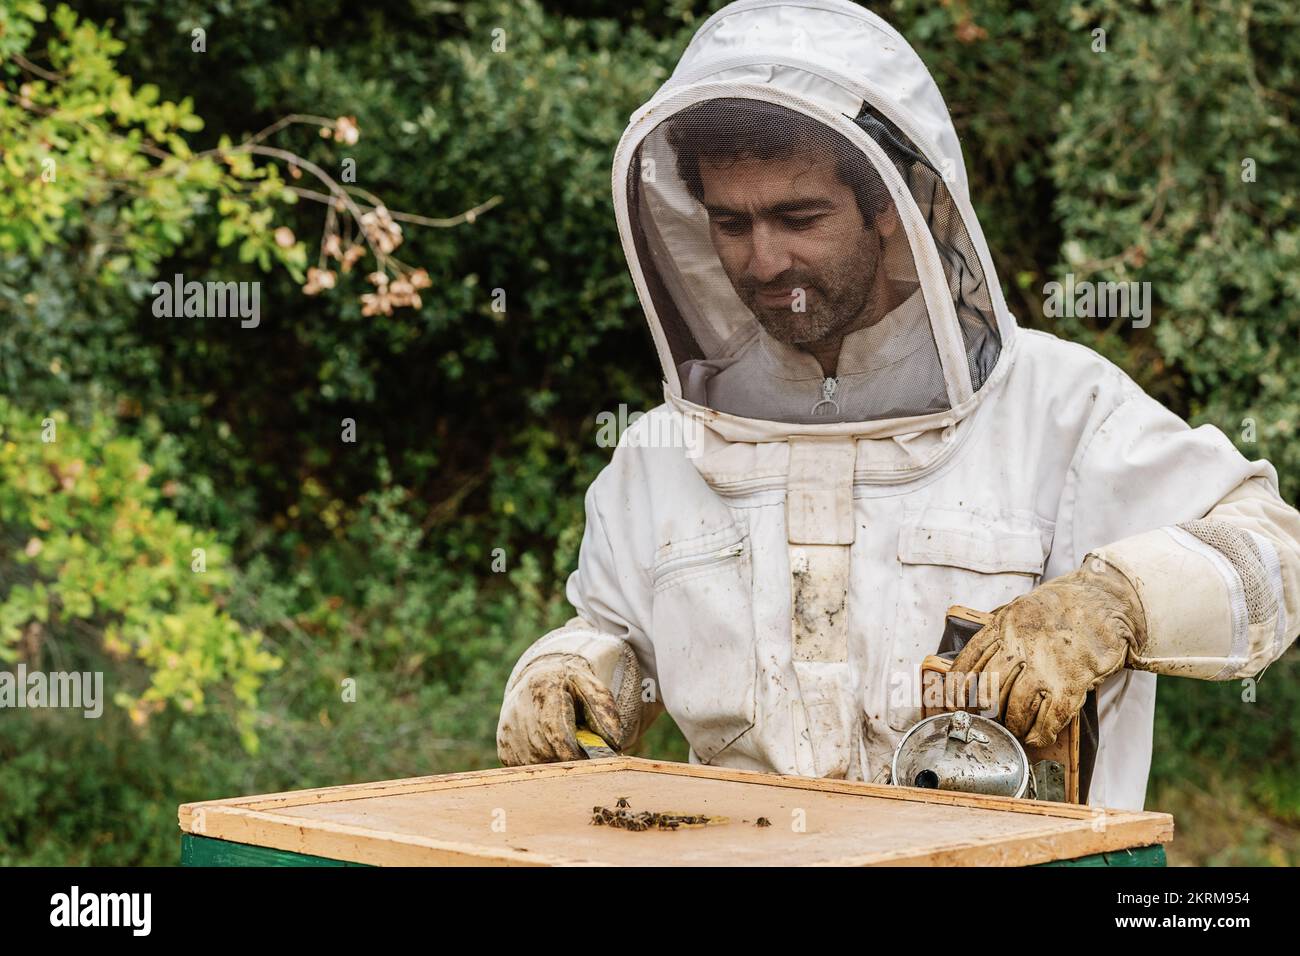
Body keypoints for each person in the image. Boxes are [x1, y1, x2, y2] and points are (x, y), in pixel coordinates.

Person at [495, 0, 1300, 810]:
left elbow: (1273, 554)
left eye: (798, 217)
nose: (764, 260)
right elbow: (613, 637)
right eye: (730, 223)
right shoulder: (664, 450)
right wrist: (571, 671)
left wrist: (1119, 600)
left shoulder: (1061, 410)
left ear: (891, 204)